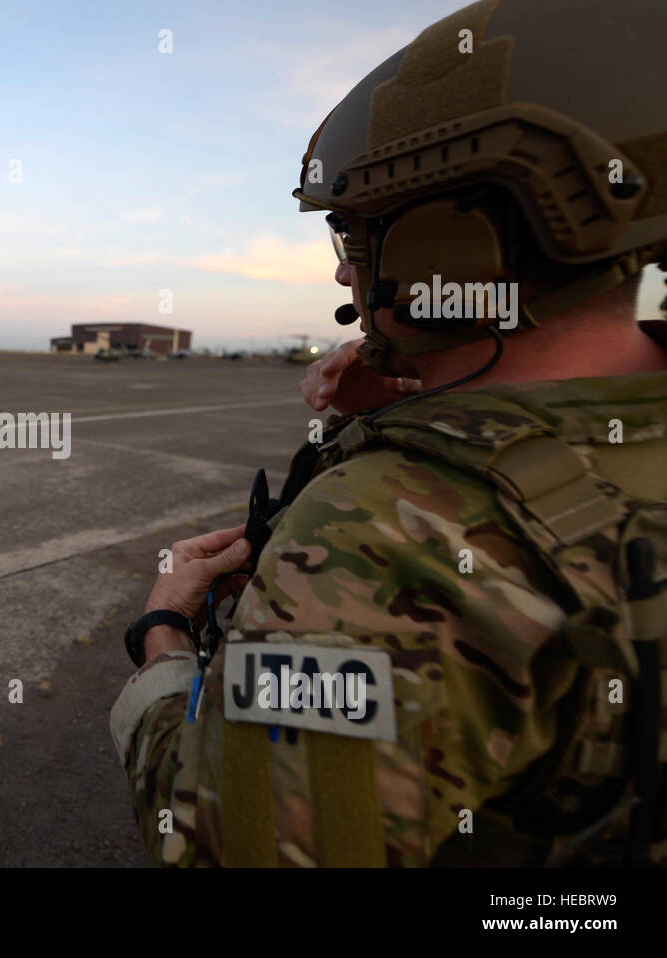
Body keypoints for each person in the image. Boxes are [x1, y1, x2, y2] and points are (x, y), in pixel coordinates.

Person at [111, 0, 667, 867]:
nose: (341, 266)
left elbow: (223, 845)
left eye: (357, 231)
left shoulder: (392, 534)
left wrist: (162, 635)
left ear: (456, 243)